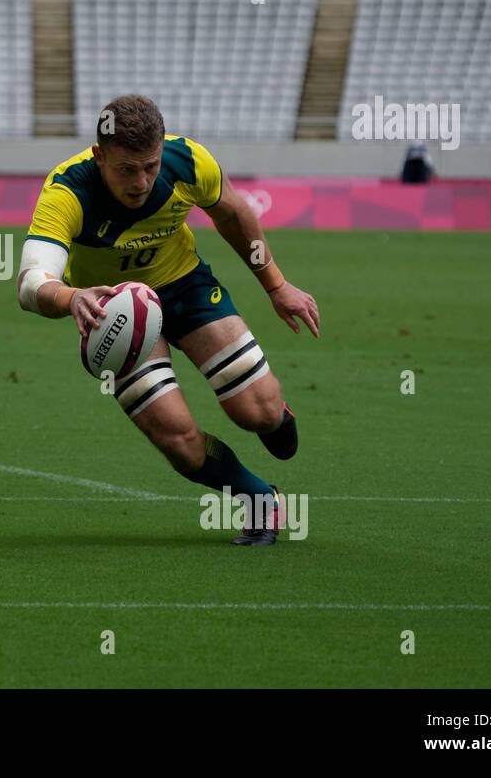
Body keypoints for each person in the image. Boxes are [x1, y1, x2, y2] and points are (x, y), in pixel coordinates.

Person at [16, 94, 320, 545]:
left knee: (257, 412)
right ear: (99, 156)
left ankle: (275, 415)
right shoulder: (67, 191)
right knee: (177, 442)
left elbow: (233, 213)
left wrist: (276, 285)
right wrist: (71, 296)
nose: (141, 181)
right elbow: (29, 284)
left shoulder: (188, 160)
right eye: (127, 169)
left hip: (185, 287)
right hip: (116, 310)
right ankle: (260, 501)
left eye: (150, 166)